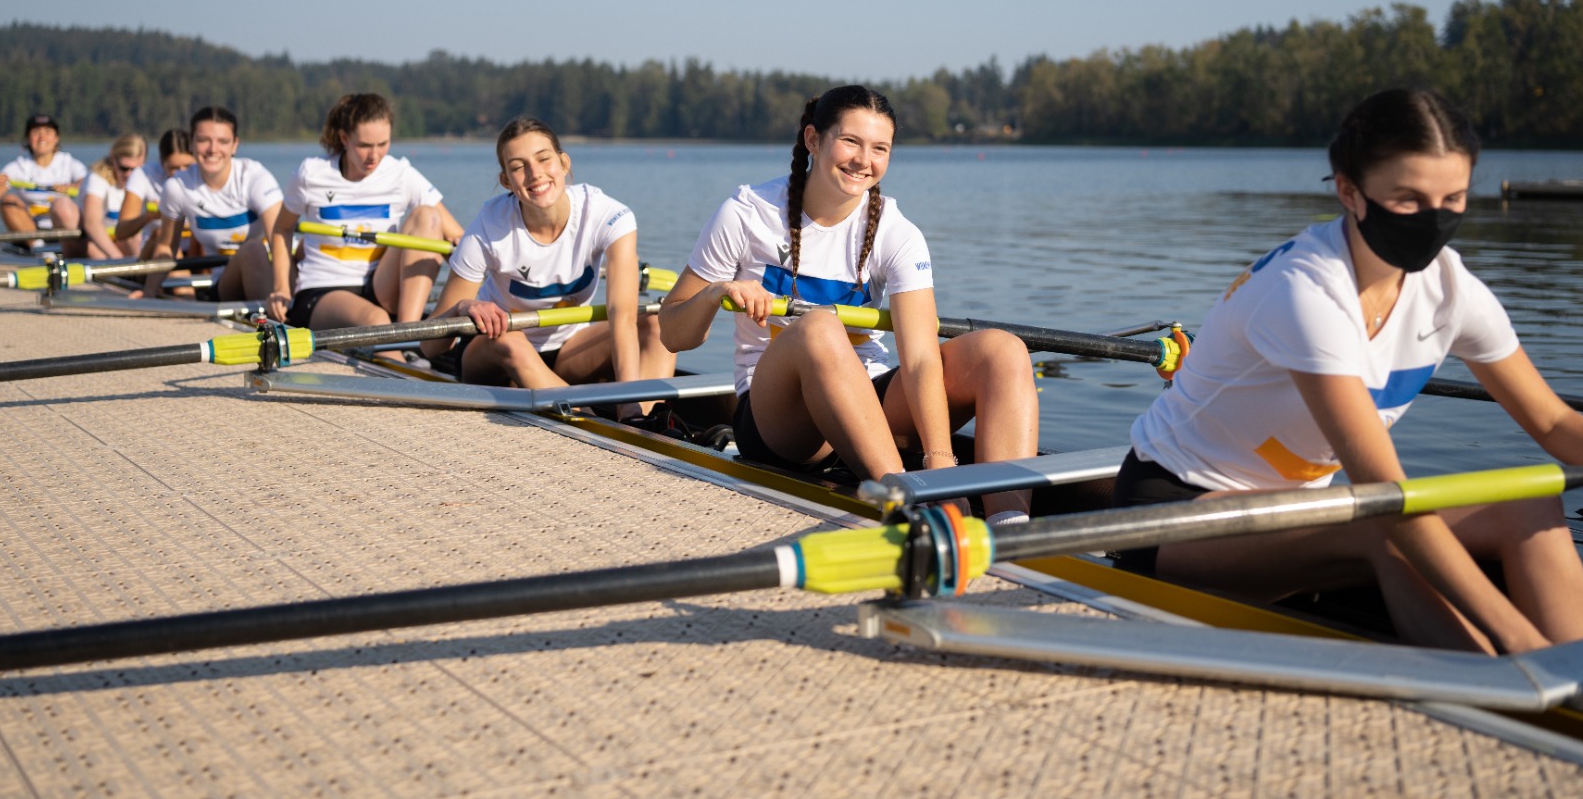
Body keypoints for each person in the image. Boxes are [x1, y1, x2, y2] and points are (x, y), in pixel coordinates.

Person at [1117, 87, 1583, 653]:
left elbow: (1551, 418)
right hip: (1176, 514)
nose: (1433, 219)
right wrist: (1524, 644)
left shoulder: (1452, 290)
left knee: (1532, 503)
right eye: (1407, 200)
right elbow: (1383, 492)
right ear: (1349, 191)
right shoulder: (1304, 292)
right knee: (1391, 521)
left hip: (1298, 515)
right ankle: (1532, 684)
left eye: (1452, 200)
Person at [657, 85, 1040, 521]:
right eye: (851, 141)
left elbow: (919, 360)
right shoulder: (746, 212)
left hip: (872, 403)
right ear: (814, 140)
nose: (864, 160)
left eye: (880, 148)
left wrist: (939, 462)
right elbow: (672, 333)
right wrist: (714, 293)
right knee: (819, 328)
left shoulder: (898, 232)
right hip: (781, 420)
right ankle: (908, 501)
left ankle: (1009, 526)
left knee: (1004, 351)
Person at [423, 117, 671, 394]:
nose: (535, 173)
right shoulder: (487, 228)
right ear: (506, 181)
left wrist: (629, 405)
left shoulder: (608, 215)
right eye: (518, 167)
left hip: (567, 351)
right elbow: (431, 347)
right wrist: (463, 307)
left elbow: (621, 316)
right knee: (512, 341)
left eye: (543, 159)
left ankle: (644, 419)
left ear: (564, 163)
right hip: (493, 356)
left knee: (659, 324)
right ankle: (586, 417)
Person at [266, 93, 461, 336]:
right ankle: (402, 346)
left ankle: (410, 334)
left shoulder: (400, 173)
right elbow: (282, 230)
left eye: (383, 144)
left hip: (380, 285)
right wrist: (281, 288)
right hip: (324, 290)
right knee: (377, 319)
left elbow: (457, 237)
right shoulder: (312, 174)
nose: (374, 156)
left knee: (429, 216)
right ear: (344, 138)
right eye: (365, 146)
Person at [144, 107, 282, 302]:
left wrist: (284, 289)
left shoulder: (254, 177)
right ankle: (278, 321)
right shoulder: (177, 187)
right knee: (252, 250)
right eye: (203, 140)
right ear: (191, 143)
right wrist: (149, 293)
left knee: (266, 250)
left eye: (223, 141)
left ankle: (285, 309)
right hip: (226, 283)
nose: (212, 149)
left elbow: (280, 239)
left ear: (235, 145)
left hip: (275, 274)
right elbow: (166, 247)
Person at [0, 114, 88, 246]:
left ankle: (71, 247)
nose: (42, 137)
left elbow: (88, 185)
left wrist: (73, 187)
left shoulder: (69, 163)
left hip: (63, 228)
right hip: (30, 228)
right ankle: (38, 248)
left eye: (47, 132)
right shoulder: (18, 167)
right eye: (36, 132)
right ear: (28, 138)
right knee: (8, 201)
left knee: (62, 204)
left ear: (56, 138)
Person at [78, 134, 161, 259]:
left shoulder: (147, 177)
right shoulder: (96, 178)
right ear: (113, 158)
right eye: (124, 168)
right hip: (100, 244)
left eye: (135, 169)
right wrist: (117, 258)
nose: (129, 175)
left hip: (130, 244)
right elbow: (92, 223)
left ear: (144, 162)